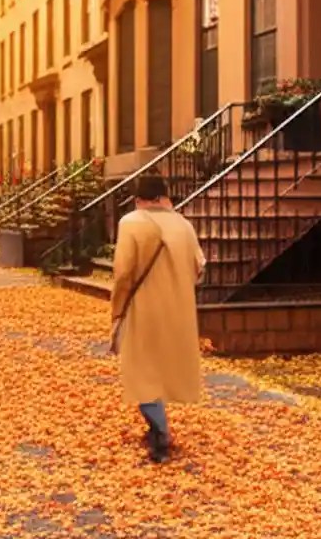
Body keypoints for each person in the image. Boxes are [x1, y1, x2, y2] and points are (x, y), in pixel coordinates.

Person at [109, 174, 205, 463]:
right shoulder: (184, 225)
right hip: (177, 308)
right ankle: (157, 429)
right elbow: (199, 267)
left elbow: (124, 273)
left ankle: (159, 431)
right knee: (162, 369)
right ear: (165, 197)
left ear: (139, 200)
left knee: (142, 371)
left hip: (143, 308)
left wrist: (117, 309)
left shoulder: (131, 223)